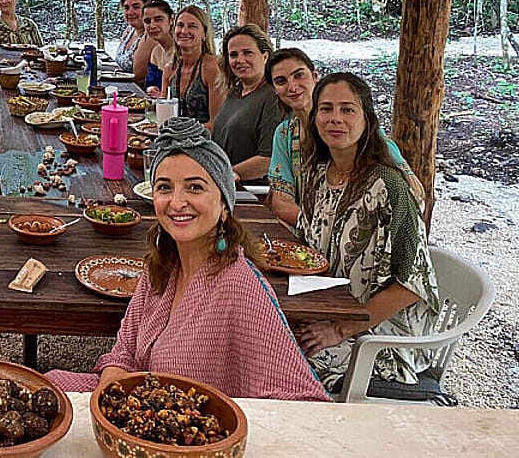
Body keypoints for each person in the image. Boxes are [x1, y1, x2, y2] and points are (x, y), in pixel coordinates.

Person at [46, 117, 328, 401]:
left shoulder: (240, 288)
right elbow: (124, 351)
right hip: (135, 404)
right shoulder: (162, 265)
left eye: (195, 187)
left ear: (224, 206)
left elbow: (303, 401)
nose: (177, 202)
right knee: (48, 385)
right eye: (165, 187)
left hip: (185, 423)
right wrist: (110, 393)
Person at [294, 74, 439, 392]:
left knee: (282, 361)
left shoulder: (389, 187)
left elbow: (412, 286)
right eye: (326, 108)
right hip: (329, 311)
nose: (335, 118)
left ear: (367, 121)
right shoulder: (317, 175)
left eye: (347, 109)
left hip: (380, 337)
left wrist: (339, 329)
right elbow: (307, 254)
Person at [265, 49, 423, 229]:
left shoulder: (357, 130)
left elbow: (415, 194)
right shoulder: (285, 133)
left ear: (315, 76)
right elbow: (280, 202)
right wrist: (320, 230)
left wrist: (338, 230)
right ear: (274, 89)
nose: (292, 87)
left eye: (299, 75)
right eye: (281, 81)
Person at [211, 24, 283, 184]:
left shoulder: (273, 97)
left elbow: (267, 160)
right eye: (233, 55)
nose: (240, 60)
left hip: (251, 189)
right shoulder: (234, 92)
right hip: (222, 181)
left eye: (247, 53)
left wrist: (222, 175)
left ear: (265, 56)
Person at [159, 5, 224, 125]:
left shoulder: (212, 68)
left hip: (203, 135)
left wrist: (181, 133)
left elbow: (215, 123)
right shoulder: (170, 68)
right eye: (180, 25)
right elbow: (163, 114)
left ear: (204, 34)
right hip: (171, 133)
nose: (184, 31)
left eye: (192, 26)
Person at [131, 0, 174, 93]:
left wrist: (162, 95)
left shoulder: (182, 53)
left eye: (158, 19)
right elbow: (150, 84)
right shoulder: (156, 52)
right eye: (147, 21)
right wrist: (150, 89)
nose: (152, 25)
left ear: (171, 20)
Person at [113, 0, 152, 73]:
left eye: (136, 7)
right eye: (126, 8)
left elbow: (138, 76)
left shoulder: (150, 36)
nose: (130, 12)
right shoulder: (129, 30)